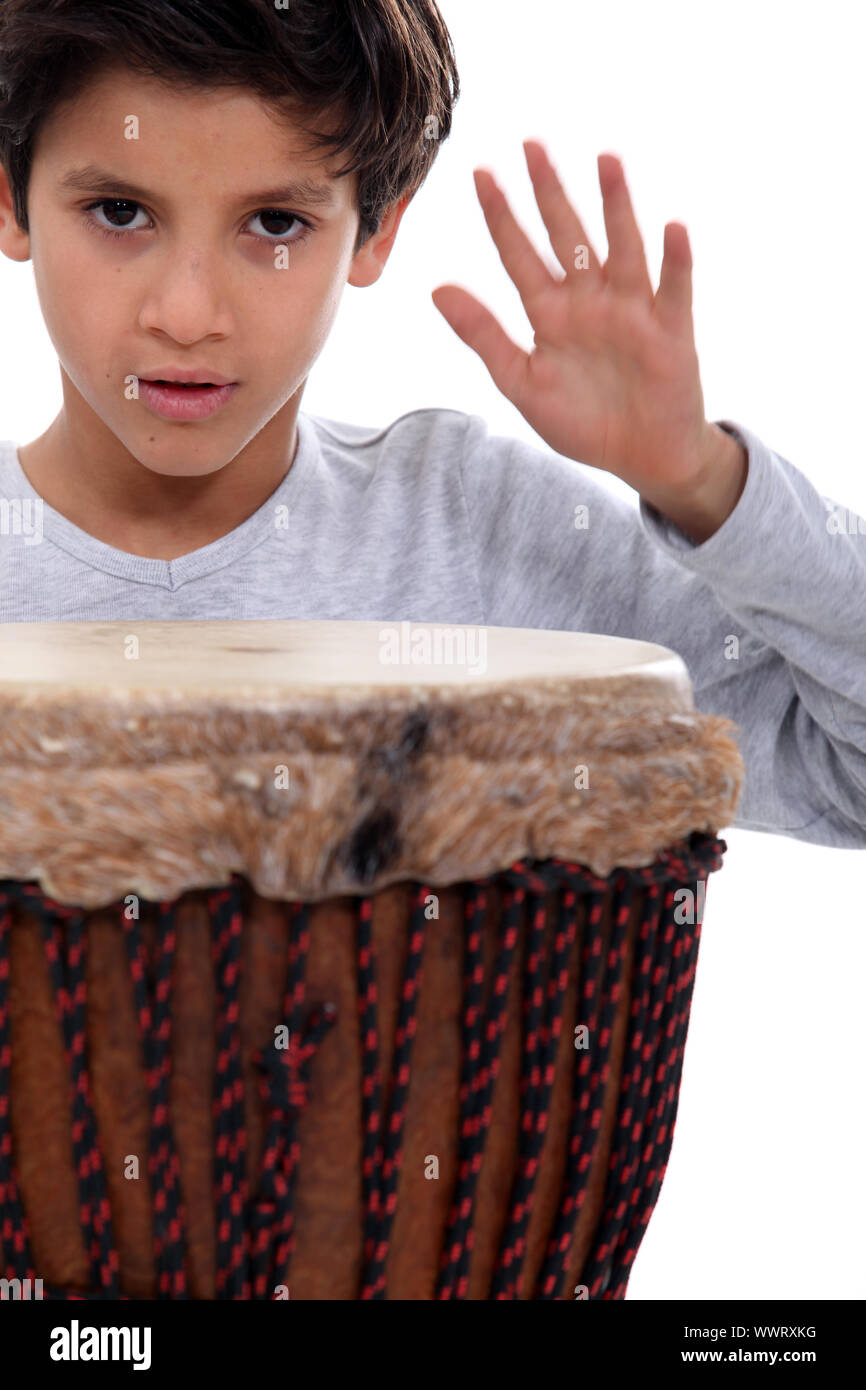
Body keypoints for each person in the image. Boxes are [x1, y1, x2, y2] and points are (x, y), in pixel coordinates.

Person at [0, 0, 863, 848]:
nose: (187, 314)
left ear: (376, 228)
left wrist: (703, 480)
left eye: (275, 224)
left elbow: (847, 769)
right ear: (11, 200)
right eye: (120, 212)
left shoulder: (468, 529)